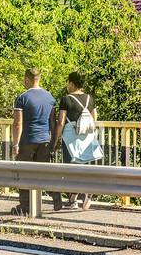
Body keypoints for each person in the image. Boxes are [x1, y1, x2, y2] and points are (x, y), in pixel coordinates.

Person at [11, 68, 61, 213]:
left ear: (27, 79)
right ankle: (56, 195)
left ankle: (25, 207)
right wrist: (53, 142)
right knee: (44, 172)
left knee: (24, 174)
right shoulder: (49, 97)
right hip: (45, 140)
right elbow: (53, 122)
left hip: (27, 141)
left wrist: (15, 143)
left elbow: (18, 123)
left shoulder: (22, 97)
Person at [53, 72, 102, 211]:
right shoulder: (89, 98)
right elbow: (94, 118)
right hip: (85, 137)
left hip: (70, 138)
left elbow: (61, 121)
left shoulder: (66, 99)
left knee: (69, 168)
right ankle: (85, 192)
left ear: (72, 83)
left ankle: (73, 200)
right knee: (83, 167)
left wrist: (56, 139)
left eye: (68, 82)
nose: (66, 85)